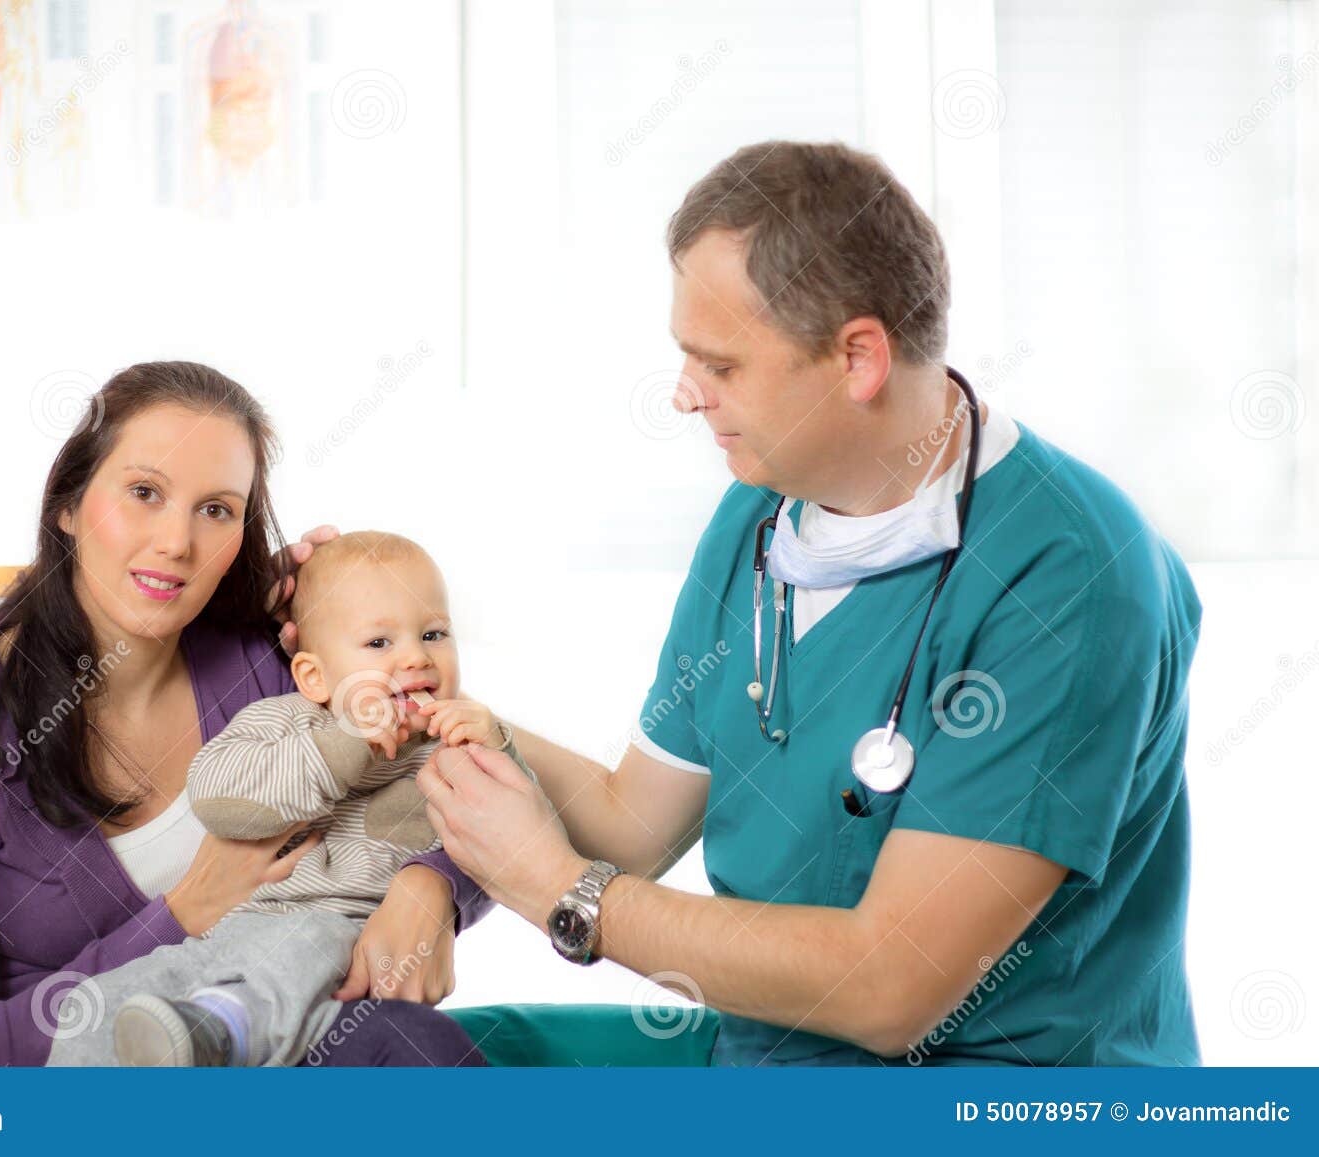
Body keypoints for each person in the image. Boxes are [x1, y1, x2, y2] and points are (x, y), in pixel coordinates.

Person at [420, 141, 1203, 1066]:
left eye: (719, 364)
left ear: (858, 358)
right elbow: (634, 823)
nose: (684, 394)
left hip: (999, 1087)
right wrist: (444, 711)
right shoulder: (761, 510)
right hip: (773, 1058)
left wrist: (563, 891)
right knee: (407, 1069)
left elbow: (890, 989)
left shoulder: (1069, 574)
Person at [0, 362, 485, 1066]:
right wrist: (183, 913)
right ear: (67, 505)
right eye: (144, 492)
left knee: (422, 1050)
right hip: (83, 1104)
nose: (177, 543)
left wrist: (433, 887)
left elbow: (451, 770)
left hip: (302, 1050)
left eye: (217, 509)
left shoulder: (270, 661)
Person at [44, 531, 527, 1067]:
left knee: (306, 941)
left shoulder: (453, 748)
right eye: (379, 644)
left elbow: (522, 838)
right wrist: (343, 745)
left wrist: (498, 745)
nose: (415, 657)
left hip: (348, 945)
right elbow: (218, 797)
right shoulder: (283, 721)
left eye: (434, 634)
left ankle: (226, 1029)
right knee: (96, 1003)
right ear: (314, 677)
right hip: (233, 933)